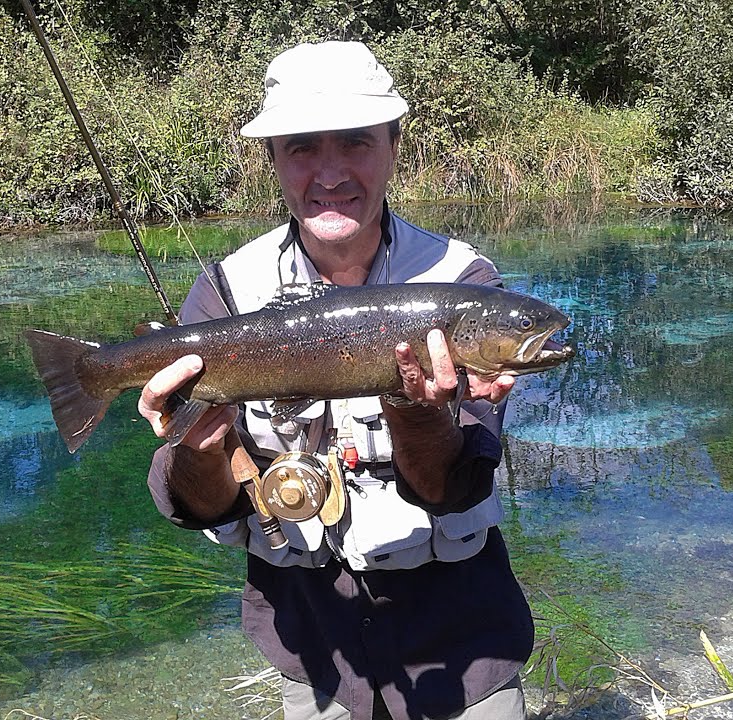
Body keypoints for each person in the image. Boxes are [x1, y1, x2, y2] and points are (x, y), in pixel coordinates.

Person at [140, 41, 534, 720]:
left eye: (355, 142)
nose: (330, 171)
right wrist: (195, 447)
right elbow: (200, 508)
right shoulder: (227, 294)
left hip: (465, 646)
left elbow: (453, 486)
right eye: (301, 147)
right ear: (273, 161)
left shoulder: (461, 284)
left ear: (393, 147)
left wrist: (417, 411)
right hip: (315, 648)